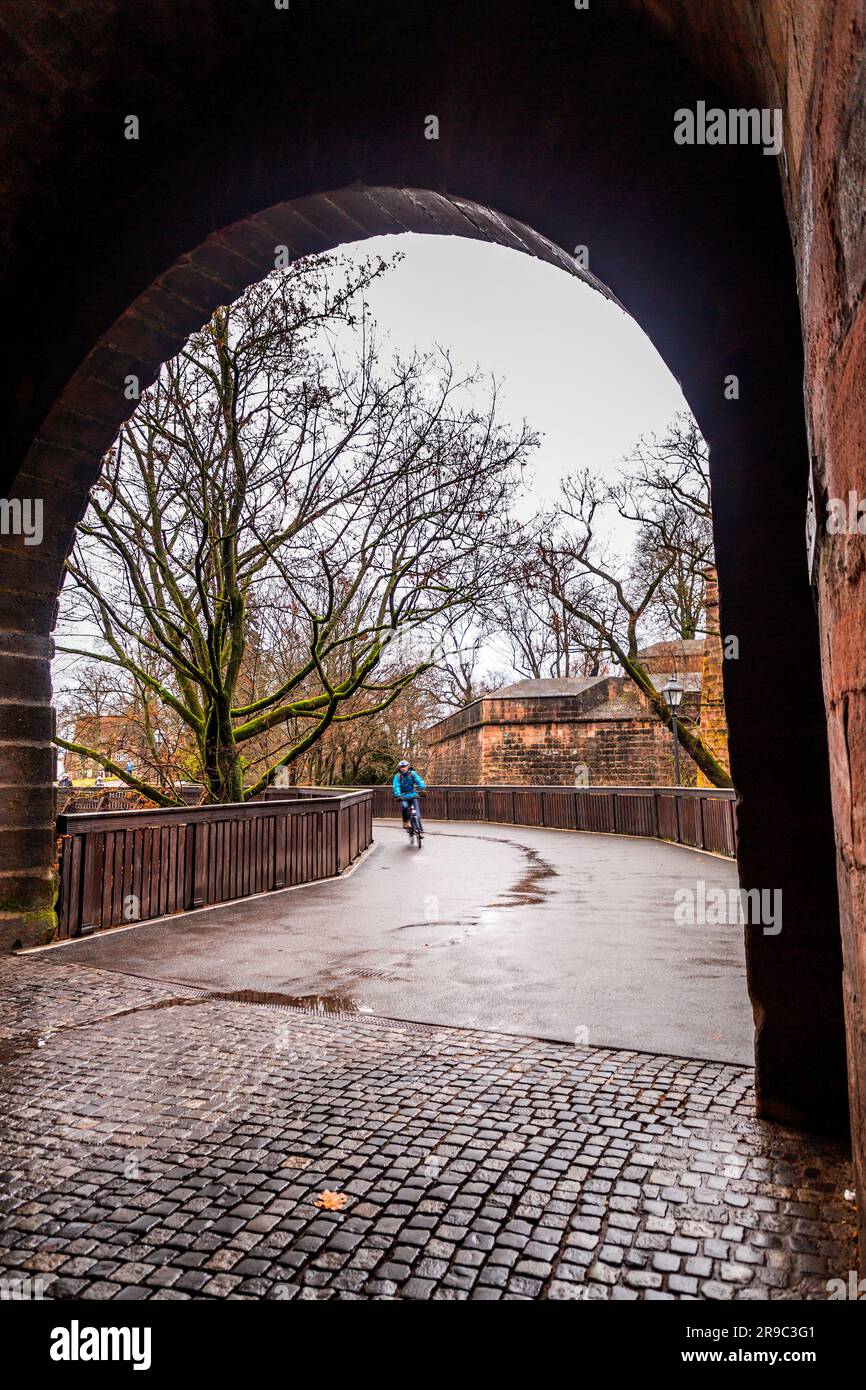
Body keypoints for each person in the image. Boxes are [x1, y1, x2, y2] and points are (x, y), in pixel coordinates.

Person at [392, 758, 426, 835]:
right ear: (400, 768)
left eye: (404, 766)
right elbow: (396, 786)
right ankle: (405, 821)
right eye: (402, 767)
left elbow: (419, 780)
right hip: (403, 796)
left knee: (417, 813)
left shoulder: (412, 774)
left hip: (413, 794)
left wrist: (422, 789)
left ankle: (420, 830)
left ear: (408, 766)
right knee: (404, 807)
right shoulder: (398, 776)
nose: (403, 768)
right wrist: (398, 795)